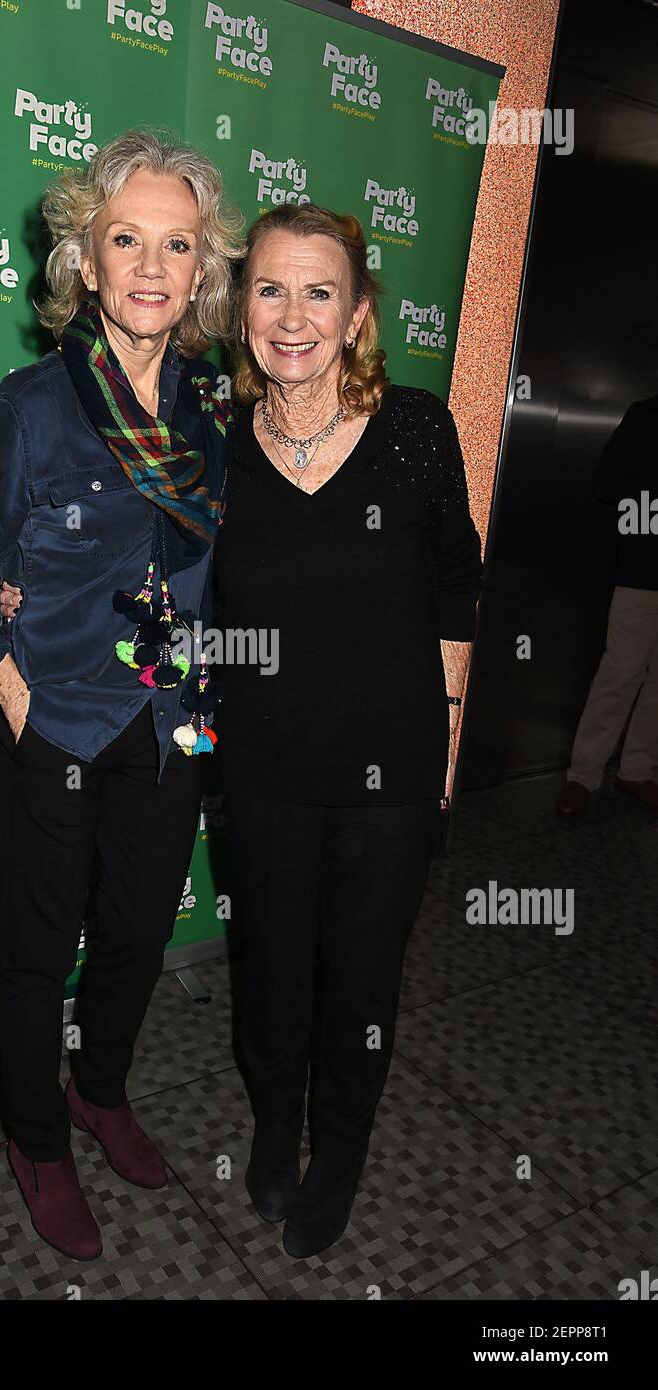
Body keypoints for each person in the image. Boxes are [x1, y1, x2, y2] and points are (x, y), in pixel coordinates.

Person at [0, 129, 241, 1260]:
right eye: (128, 240)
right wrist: (10, 691)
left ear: (201, 269)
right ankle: (35, 1136)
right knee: (33, 948)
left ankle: (98, 1089)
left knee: (134, 934)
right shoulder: (31, 407)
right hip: (53, 715)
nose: (153, 266)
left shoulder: (211, 413)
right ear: (87, 261)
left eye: (178, 244)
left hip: (168, 717)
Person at [213, 203, 484, 1258]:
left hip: (392, 769)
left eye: (319, 291)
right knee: (271, 971)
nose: (293, 315)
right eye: (270, 288)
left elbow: (456, 588)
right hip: (268, 764)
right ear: (243, 310)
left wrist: (450, 739)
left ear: (358, 312)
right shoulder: (219, 444)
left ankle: (343, 1152)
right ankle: (276, 1126)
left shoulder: (416, 429)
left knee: (362, 978)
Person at [557, 395, 658, 815]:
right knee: (621, 671)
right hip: (644, 567)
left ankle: (638, 769)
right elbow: (608, 484)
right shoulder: (647, 416)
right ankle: (582, 776)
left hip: (642, 561)